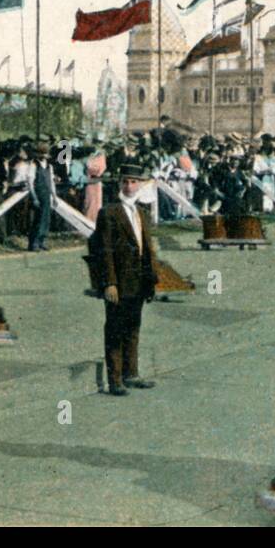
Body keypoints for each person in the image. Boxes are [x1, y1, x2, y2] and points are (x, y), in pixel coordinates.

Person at [90, 165, 159, 396]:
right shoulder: (109, 212)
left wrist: (152, 280)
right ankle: (115, 380)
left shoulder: (142, 213)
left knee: (133, 328)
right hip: (118, 283)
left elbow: (147, 249)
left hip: (138, 282)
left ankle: (132, 374)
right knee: (115, 330)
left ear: (140, 184)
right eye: (125, 182)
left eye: (133, 182)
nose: (129, 186)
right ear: (119, 184)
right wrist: (109, 282)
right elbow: (105, 250)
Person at [28, 143, 56, 252]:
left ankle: (41, 241)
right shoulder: (34, 165)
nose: (43, 156)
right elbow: (30, 182)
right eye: (41, 154)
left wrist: (54, 197)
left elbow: (51, 183)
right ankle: (33, 243)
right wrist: (34, 197)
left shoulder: (49, 166)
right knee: (38, 219)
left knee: (46, 219)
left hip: (47, 195)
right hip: (38, 194)